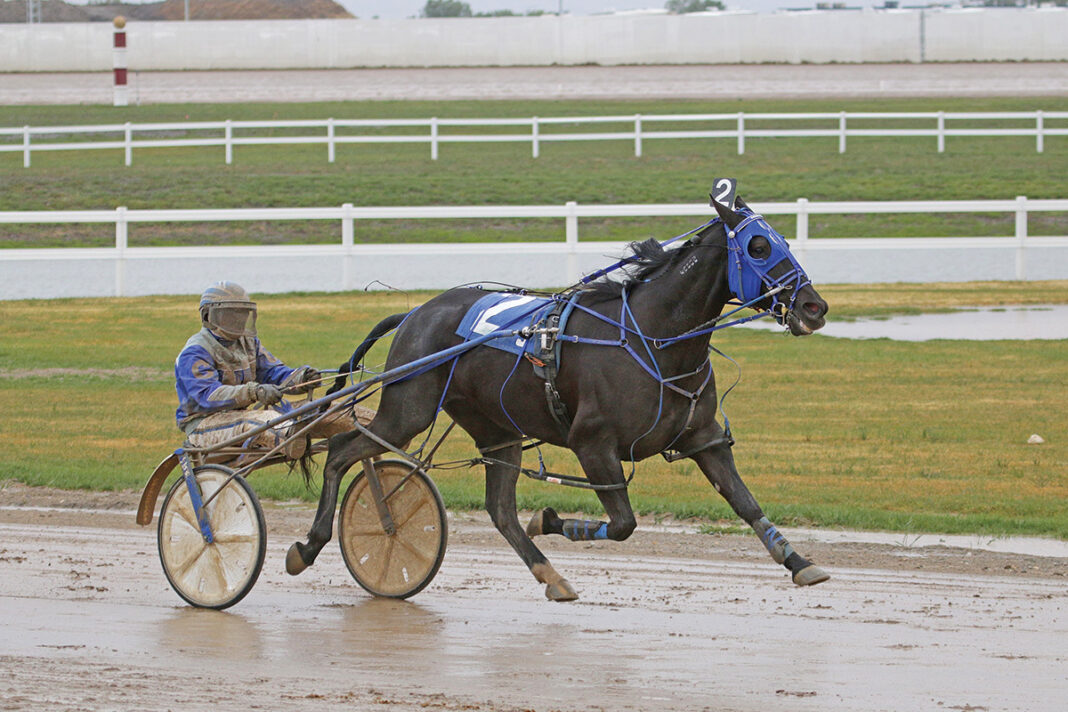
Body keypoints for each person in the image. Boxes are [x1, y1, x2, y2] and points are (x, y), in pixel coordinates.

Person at [174, 281, 372, 460]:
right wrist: (254, 392)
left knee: (324, 410)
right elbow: (207, 395)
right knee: (265, 422)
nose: (237, 321)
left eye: (241, 314)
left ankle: (378, 427)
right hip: (204, 425)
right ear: (208, 316)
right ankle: (291, 440)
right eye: (230, 314)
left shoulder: (249, 343)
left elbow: (276, 374)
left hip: (243, 416)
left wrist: (302, 377)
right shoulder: (195, 352)